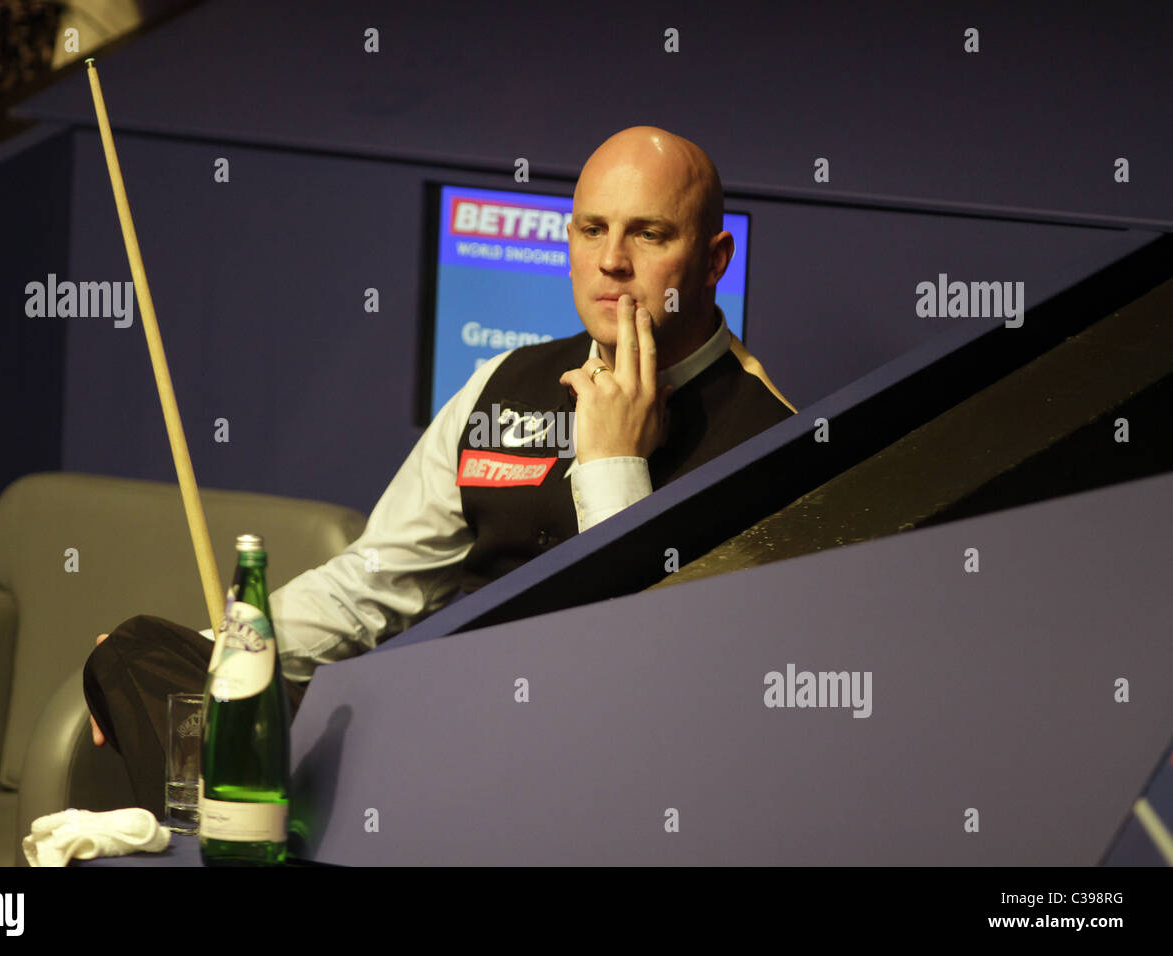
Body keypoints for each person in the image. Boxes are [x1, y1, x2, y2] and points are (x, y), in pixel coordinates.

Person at [84, 126, 797, 813]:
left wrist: (613, 467)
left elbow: (656, 694)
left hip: (596, 770)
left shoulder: (769, 444)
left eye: (649, 233)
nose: (612, 259)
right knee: (138, 653)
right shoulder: (504, 382)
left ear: (713, 260)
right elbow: (370, 586)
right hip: (444, 733)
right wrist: (223, 656)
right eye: (590, 230)